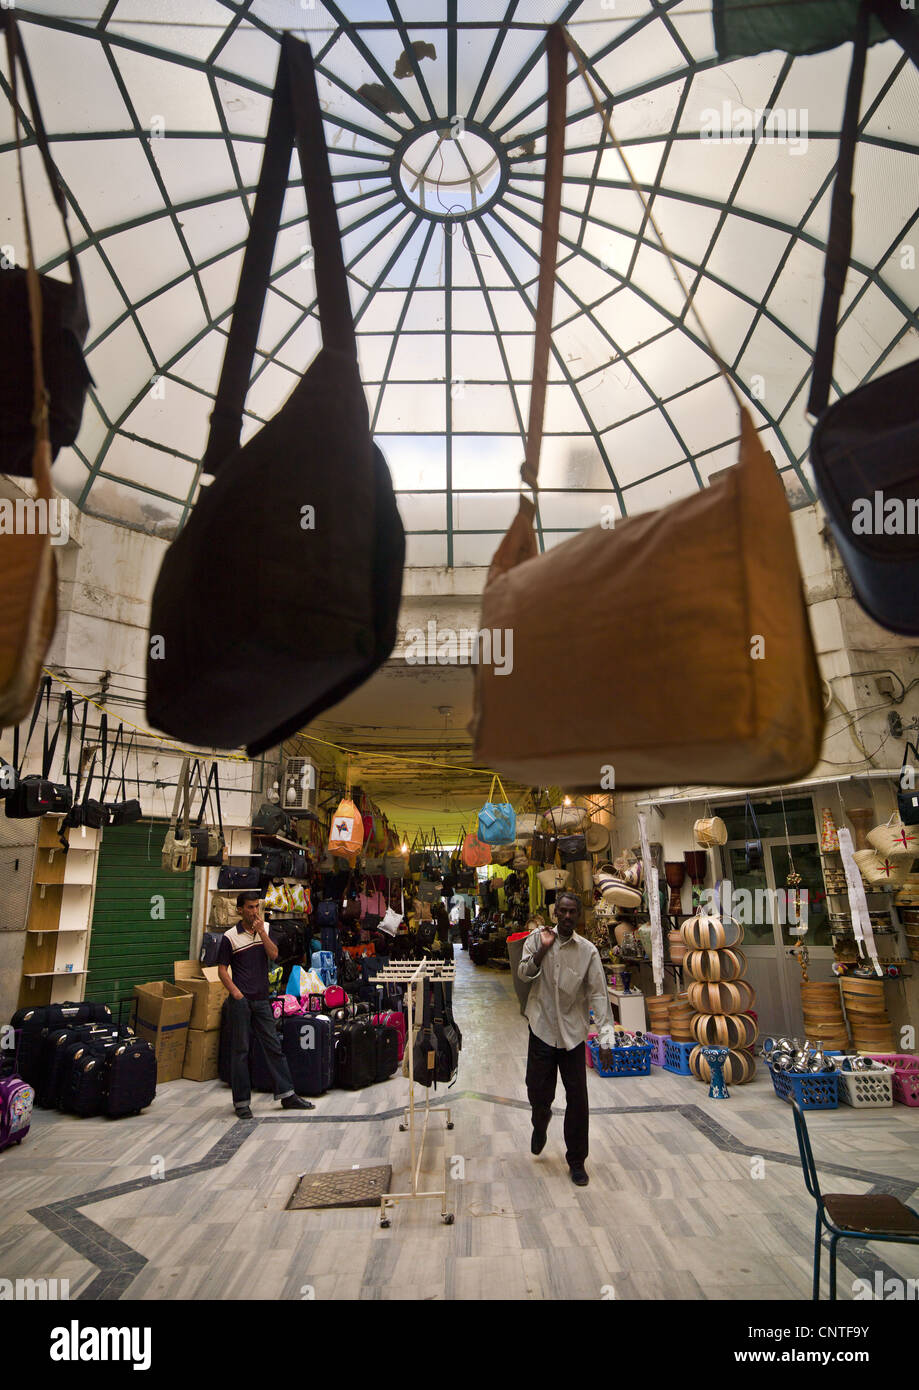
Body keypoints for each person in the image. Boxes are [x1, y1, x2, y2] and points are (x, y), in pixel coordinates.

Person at [517, 890, 615, 1186]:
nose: (568, 916)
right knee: (537, 1090)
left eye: (573, 912)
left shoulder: (588, 952)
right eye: (563, 911)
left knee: (578, 1100)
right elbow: (523, 974)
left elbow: (599, 994)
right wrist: (542, 950)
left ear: (578, 915)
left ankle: (576, 1161)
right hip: (542, 1027)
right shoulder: (537, 939)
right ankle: (540, 1119)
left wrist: (606, 1039)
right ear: (555, 913)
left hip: (572, 1033)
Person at [216, 893, 316, 1119]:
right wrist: (236, 993)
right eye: (250, 907)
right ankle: (241, 1102)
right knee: (240, 1051)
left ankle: (287, 1095)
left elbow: (274, 955)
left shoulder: (266, 930)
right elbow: (222, 970)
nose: (254, 911)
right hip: (241, 1001)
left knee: (274, 1047)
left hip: (262, 1000)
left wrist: (262, 932)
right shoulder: (229, 937)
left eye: (257, 907)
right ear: (239, 909)